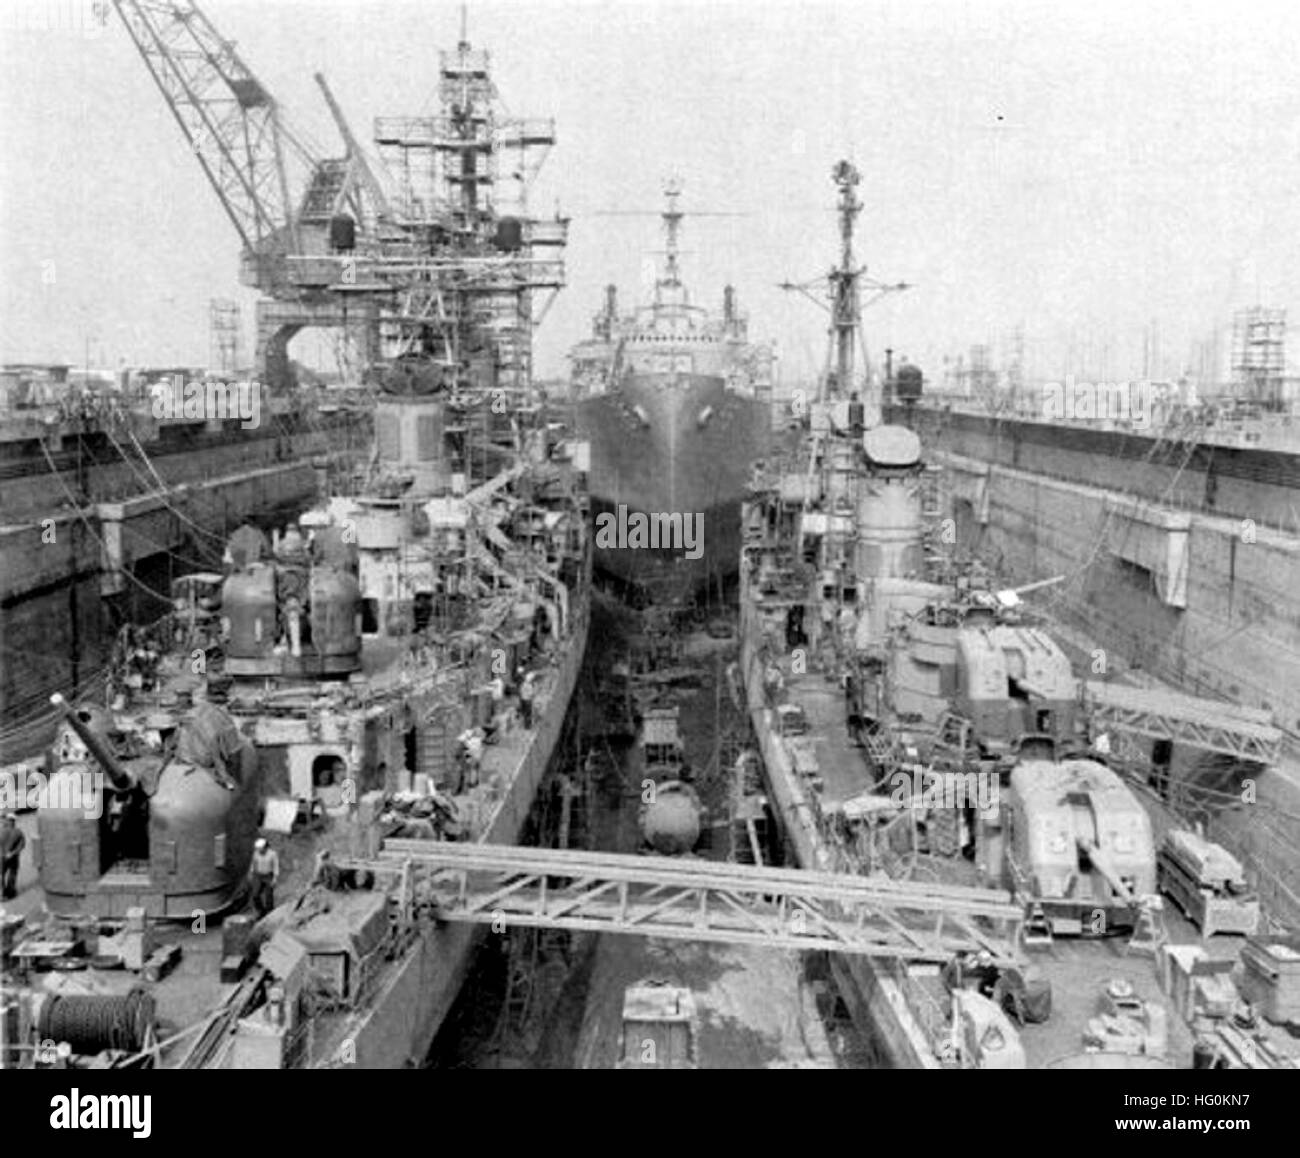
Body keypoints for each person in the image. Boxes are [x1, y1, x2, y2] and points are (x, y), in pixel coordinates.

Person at [249, 837, 280, 917]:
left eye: (260, 849)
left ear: (265, 847)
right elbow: (253, 863)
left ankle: (269, 913)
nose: (259, 850)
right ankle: (261, 911)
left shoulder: (272, 854)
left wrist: (275, 878)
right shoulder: (256, 853)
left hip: (268, 876)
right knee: (255, 895)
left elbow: (276, 866)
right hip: (258, 875)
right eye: (258, 849)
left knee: (268, 896)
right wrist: (251, 873)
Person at [1, 812, 25, 900]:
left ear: (7, 821)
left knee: (1, 875)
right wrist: (12, 853)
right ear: (14, 821)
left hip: (1, 857)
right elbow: (22, 845)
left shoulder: (1, 831)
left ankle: (2, 894)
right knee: (12, 874)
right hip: (13, 857)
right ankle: (10, 893)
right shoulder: (18, 832)